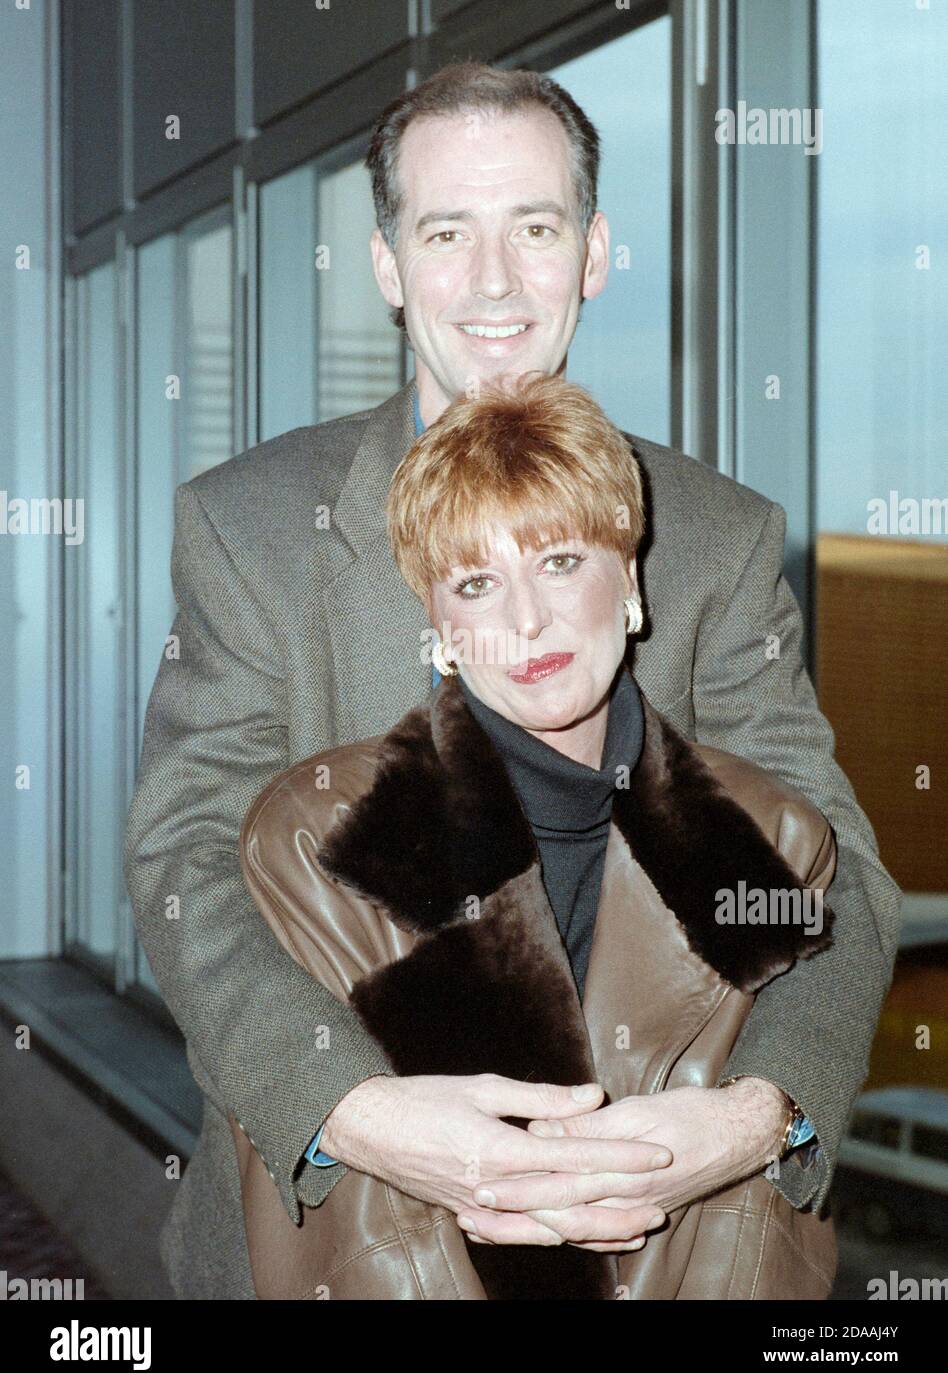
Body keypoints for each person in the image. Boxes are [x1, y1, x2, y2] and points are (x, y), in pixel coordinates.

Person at [123, 61, 900, 1300]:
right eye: (447, 233)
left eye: (534, 229)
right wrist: (350, 1106)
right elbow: (181, 864)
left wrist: (763, 1113)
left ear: (592, 252)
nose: (494, 284)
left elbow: (838, 879)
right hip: (338, 1240)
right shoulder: (253, 528)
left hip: (659, 1243)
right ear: (387, 265)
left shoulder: (715, 535)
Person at [233, 373, 840, 1300]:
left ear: (629, 580)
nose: (526, 622)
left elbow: (774, 1206)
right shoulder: (314, 837)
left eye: (560, 561)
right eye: (478, 583)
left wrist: (760, 1123)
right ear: (439, 629)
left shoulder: (776, 836)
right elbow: (343, 1222)